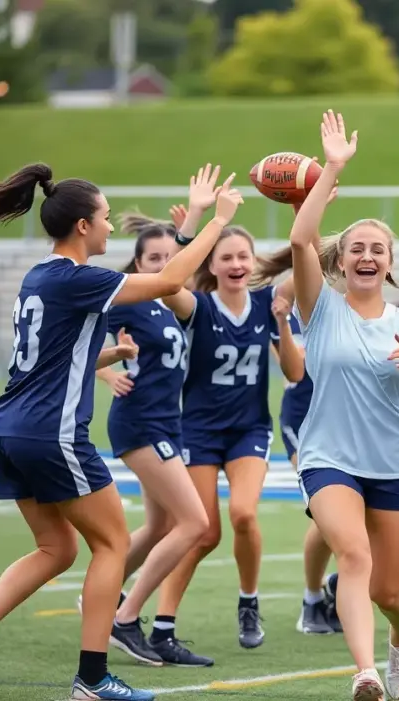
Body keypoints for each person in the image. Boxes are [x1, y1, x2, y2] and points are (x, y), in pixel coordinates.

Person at [0, 162, 242, 701]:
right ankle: (94, 678)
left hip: (7, 429)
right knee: (113, 543)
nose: (107, 228)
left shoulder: (39, 276)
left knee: (57, 548)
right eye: (103, 218)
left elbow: (55, 357)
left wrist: (113, 352)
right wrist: (217, 221)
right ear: (82, 226)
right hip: (50, 432)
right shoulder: (78, 278)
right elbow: (171, 280)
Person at [270, 109, 399, 700]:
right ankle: (365, 673)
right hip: (328, 455)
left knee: (389, 591)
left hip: (397, 462)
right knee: (351, 554)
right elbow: (301, 238)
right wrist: (330, 169)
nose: (367, 255)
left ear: (389, 263)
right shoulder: (319, 307)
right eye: (356, 247)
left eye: (378, 249)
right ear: (342, 260)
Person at [85, 203, 216, 669]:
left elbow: (186, 273)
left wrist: (192, 223)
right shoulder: (131, 301)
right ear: (138, 266)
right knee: (196, 524)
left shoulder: (170, 305)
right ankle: (125, 616)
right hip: (140, 422)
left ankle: (100, 595)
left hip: (166, 423)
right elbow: (81, 343)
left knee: (162, 525)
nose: (163, 265)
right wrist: (108, 374)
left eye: (167, 257)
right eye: (153, 260)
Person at [150, 204, 281, 651]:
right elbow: (168, 285)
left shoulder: (268, 302)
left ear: (254, 261)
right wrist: (195, 229)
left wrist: (311, 201)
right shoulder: (198, 306)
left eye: (243, 256)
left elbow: (307, 259)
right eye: (226, 257)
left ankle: (249, 601)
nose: (237, 264)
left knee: (243, 513)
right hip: (201, 431)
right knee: (201, 531)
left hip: (249, 429)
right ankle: (163, 623)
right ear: (211, 264)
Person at [265, 290, 343, 636]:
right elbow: (294, 369)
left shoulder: (359, 307)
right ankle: (312, 599)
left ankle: (339, 585)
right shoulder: (288, 307)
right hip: (304, 420)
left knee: (368, 515)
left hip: (349, 422)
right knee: (326, 513)